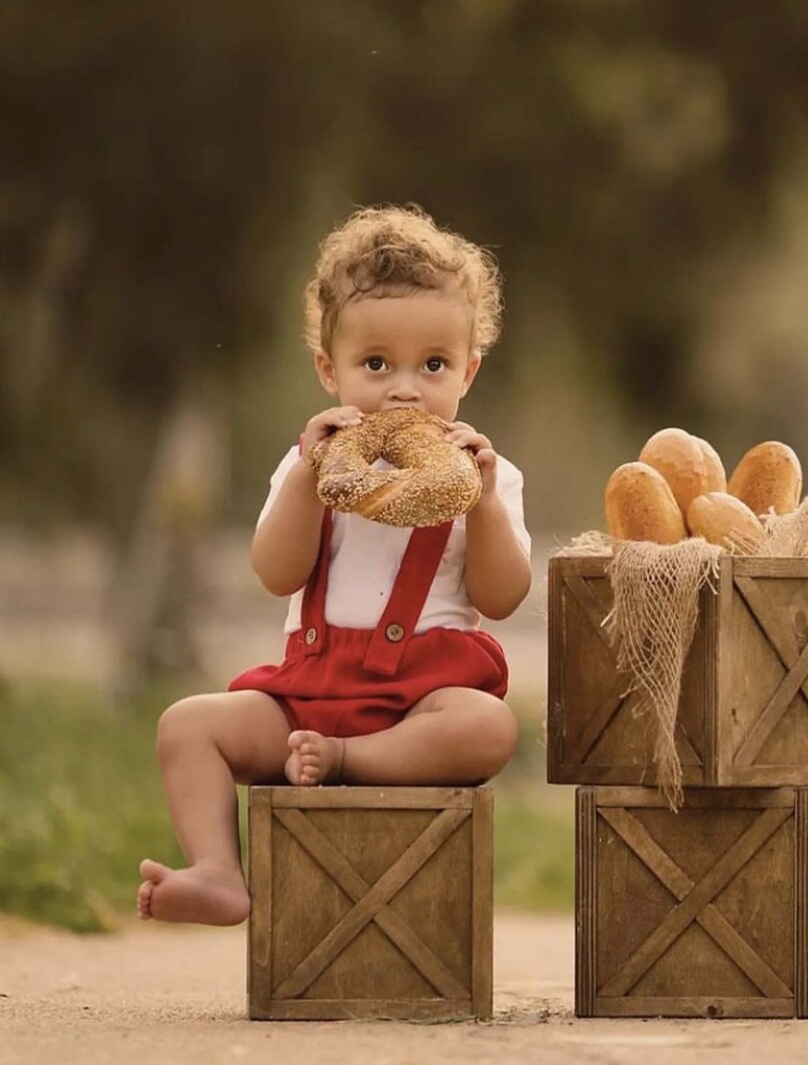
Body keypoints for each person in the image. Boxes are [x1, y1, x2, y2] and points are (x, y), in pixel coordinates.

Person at [137, 205, 531, 926]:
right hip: (309, 692)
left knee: (489, 727)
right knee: (186, 726)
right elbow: (276, 573)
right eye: (376, 364)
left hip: (422, 699)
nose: (404, 388)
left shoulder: (485, 475)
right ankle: (219, 872)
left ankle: (351, 759)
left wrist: (481, 507)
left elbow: (501, 598)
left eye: (433, 365)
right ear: (329, 369)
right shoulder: (310, 465)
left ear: (468, 372)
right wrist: (303, 482)